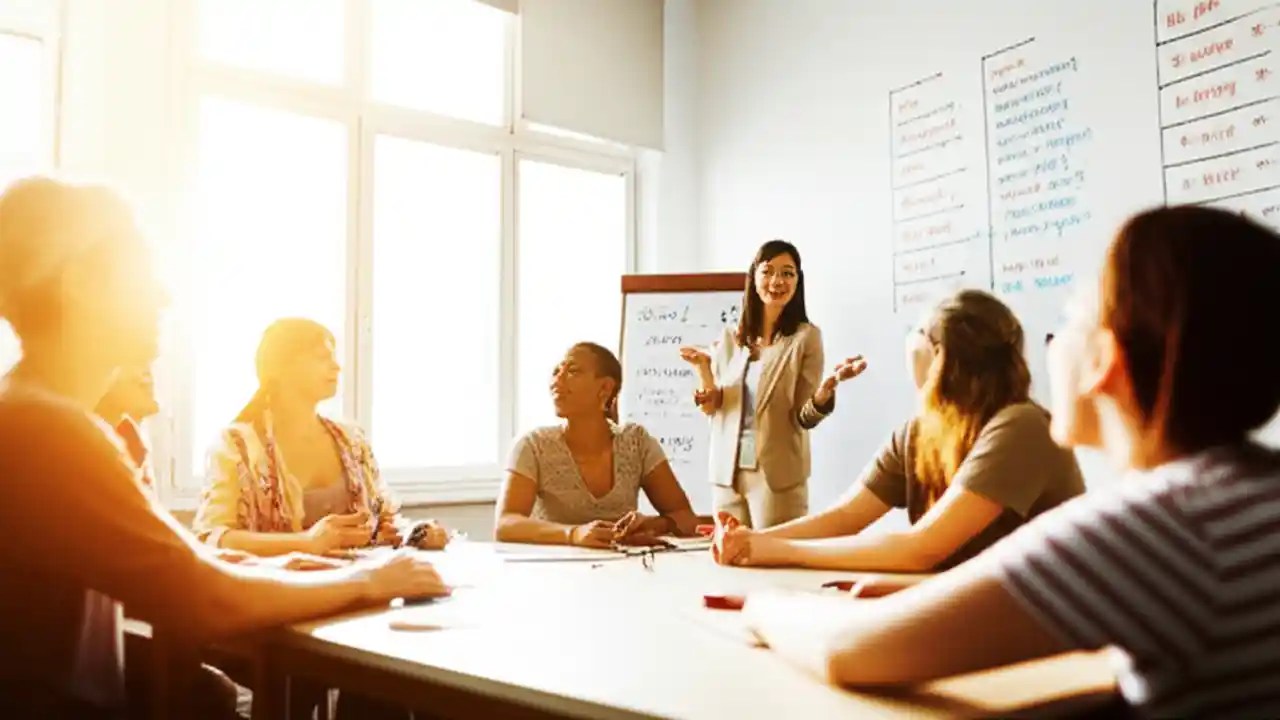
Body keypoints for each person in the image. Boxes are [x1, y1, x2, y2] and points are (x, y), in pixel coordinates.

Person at [741, 206, 1280, 718]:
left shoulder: (1162, 526)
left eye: (1068, 322)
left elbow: (846, 650)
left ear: (1104, 361)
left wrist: (763, 605)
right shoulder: (1238, 499)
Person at [0, 176, 450, 719]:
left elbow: (178, 568)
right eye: (141, 273)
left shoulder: (34, 414)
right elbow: (201, 597)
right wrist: (367, 580)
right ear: (78, 284)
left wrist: (266, 566)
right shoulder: (50, 430)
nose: (163, 296)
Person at [713, 289, 1085, 573]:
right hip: (975, 605)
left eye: (919, 332)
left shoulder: (1021, 427)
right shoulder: (918, 433)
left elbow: (921, 549)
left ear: (940, 356)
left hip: (1045, 623)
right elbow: (844, 518)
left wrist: (776, 550)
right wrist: (749, 540)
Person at [193, 318, 449, 557]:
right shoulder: (237, 447)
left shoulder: (351, 440)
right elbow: (212, 538)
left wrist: (415, 534)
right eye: (322, 357)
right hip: (277, 587)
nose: (337, 366)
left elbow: (384, 523)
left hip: (359, 583)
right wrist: (306, 542)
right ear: (282, 368)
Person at [679, 239, 866, 528]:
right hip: (727, 473)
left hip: (776, 477)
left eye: (787, 273)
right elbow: (715, 407)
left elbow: (804, 417)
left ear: (797, 281)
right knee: (730, 552)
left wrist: (824, 393)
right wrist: (703, 369)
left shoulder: (805, 338)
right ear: (753, 277)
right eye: (768, 271)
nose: (777, 281)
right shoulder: (730, 340)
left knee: (776, 553)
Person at [496, 342, 705, 547]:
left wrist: (653, 525)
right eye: (556, 372)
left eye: (573, 371)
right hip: (556, 567)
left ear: (605, 387)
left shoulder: (637, 443)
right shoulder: (533, 446)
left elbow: (685, 518)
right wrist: (573, 534)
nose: (557, 380)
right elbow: (505, 524)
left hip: (625, 565)